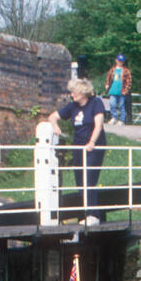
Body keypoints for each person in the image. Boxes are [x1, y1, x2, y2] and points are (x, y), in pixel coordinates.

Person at [48, 78, 107, 225]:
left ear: (83, 92)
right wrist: (55, 126)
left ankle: (94, 215)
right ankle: (86, 213)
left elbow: (98, 125)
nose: (72, 94)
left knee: (89, 179)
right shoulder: (72, 106)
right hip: (78, 147)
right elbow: (52, 116)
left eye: (74, 92)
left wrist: (92, 142)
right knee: (80, 181)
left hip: (94, 147)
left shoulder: (96, 103)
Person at [104, 55, 131, 126]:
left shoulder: (126, 71)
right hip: (113, 90)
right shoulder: (112, 70)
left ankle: (122, 120)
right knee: (112, 104)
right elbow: (108, 78)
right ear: (116, 60)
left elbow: (129, 81)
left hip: (122, 91)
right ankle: (114, 117)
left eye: (121, 61)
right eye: (119, 61)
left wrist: (126, 90)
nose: (120, 62)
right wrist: (107, 85)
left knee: (121, 105)